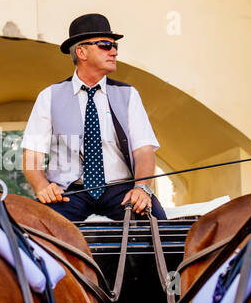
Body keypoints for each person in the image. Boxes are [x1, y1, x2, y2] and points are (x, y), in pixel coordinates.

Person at [22, 13, 166, 222]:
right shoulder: (49, 96)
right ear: (81, 52)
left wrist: (142, 188)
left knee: (158, 229)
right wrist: (42, 186)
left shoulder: (128, 94)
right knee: (34, 231)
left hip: (121, 189)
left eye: (115, 46)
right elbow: (32, 154)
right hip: (68, 192)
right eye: (105, 46)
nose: (114, 52)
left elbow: (143, 150)